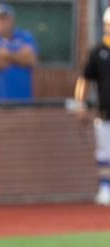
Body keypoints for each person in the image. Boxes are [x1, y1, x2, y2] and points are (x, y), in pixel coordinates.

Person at [73, 7, 110, 206]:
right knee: (104, 152)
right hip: (105, 112)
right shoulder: (99, 52)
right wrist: (80, 104)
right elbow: (85, 79)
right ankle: (105, 188)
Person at [0, 3, 37, 104]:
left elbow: (31, 60)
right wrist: (20, 57)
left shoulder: (25, 37)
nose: (1, 22)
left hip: (22, 101)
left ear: (12, 20)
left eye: (4, 19)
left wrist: (6, 55)